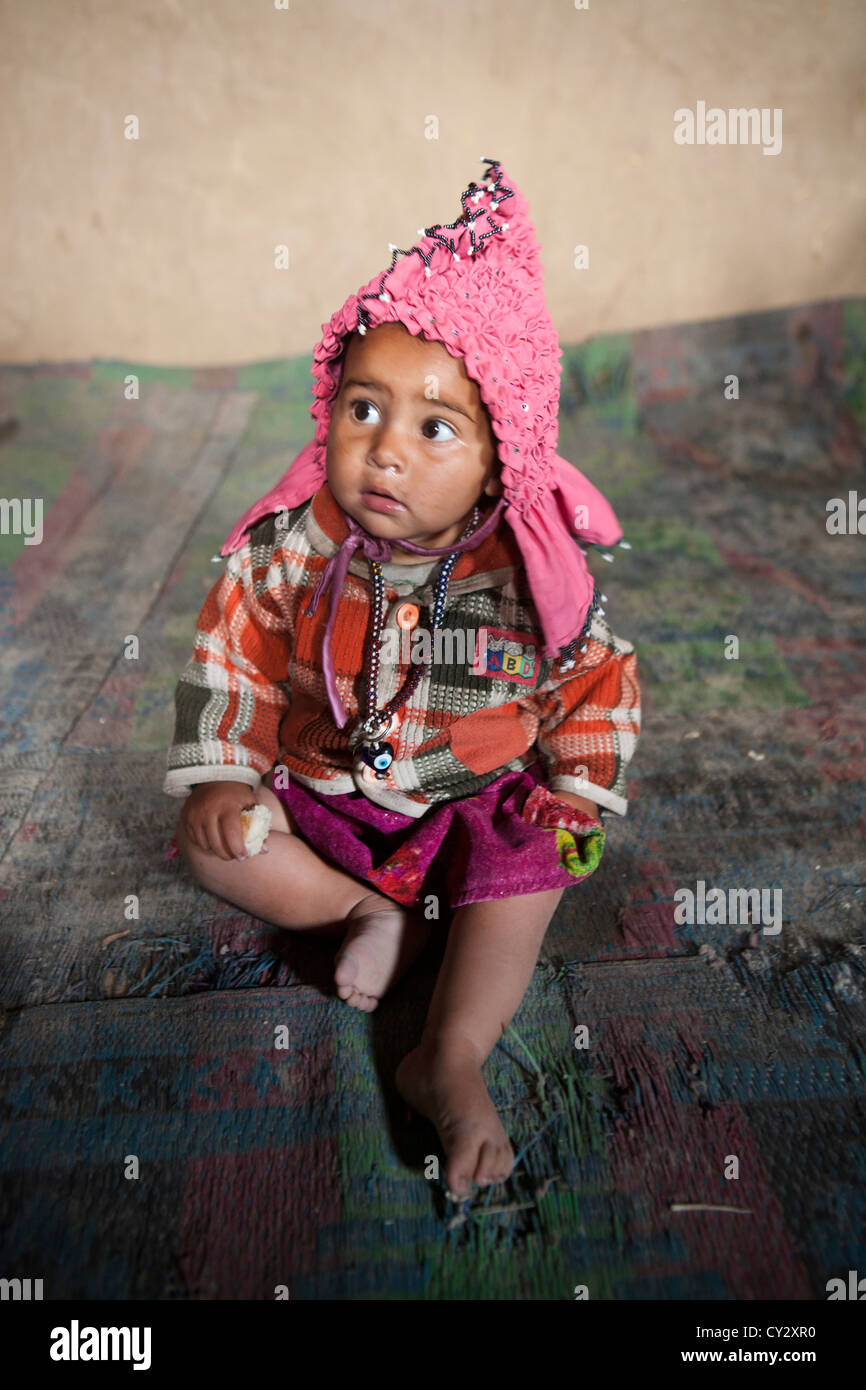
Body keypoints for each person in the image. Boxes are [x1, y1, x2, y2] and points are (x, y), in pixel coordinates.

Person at [163, 158, 641, 1200]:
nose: (383, 454)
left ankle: (450, 1052)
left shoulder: (524, 578)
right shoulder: (294, 546)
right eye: (360, 411)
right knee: (221, 845)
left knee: (538, 865)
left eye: (434, 428)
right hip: (321, 804)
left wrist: (573, 786)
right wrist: (223, 775)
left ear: (498, 457)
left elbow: (595, 679)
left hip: (465, 809)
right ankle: (353, 912)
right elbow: (231, 648)